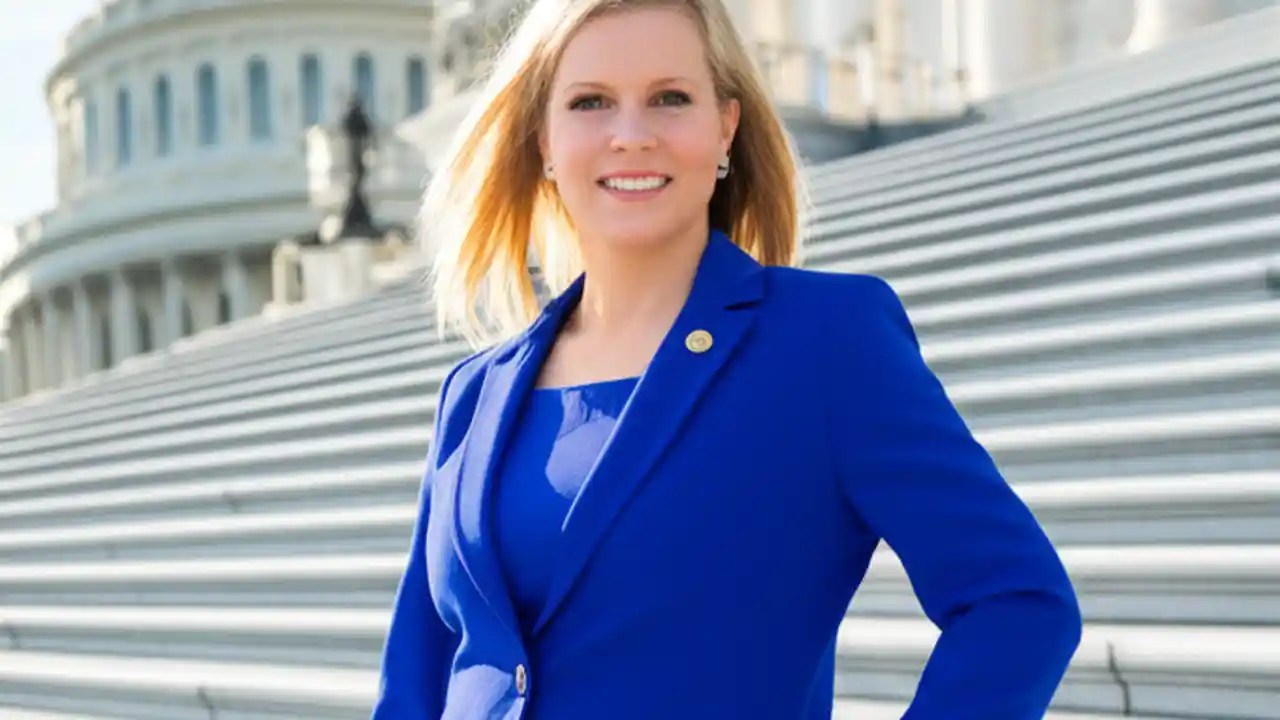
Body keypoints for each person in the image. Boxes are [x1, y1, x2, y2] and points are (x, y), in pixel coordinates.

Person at [371, 0, 1082, 718]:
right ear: (544, 142)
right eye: (590, 103)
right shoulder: (474, 394)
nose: (630, 135)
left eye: (669, 99)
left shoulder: (825, 344)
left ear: (725, 128)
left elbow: (1016, 602)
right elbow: (414, 683)